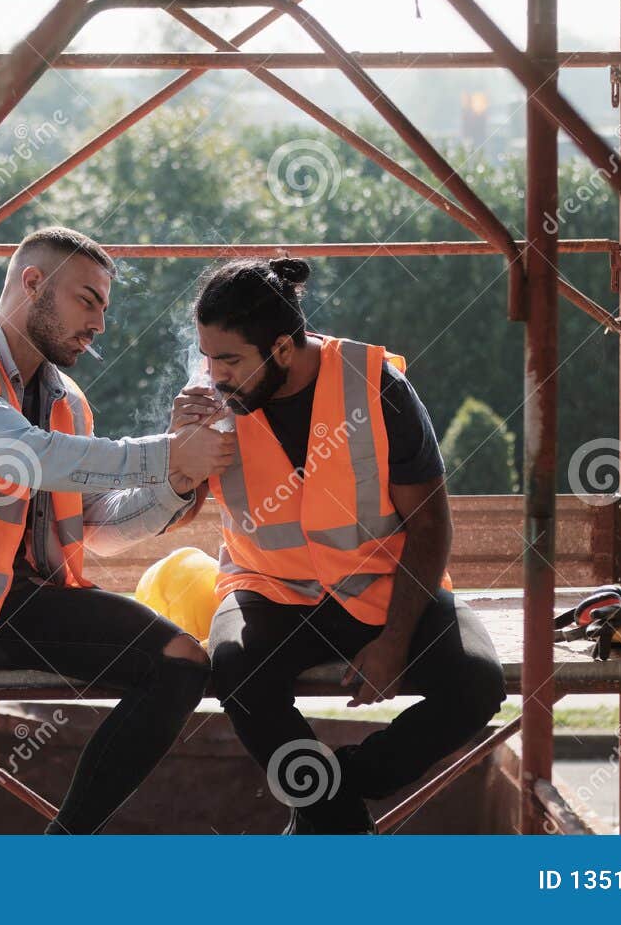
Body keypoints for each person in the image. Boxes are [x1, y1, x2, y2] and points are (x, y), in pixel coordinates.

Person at [0, 227, 235, 834]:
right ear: (32, 284)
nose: (99, 325)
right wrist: (167, 453)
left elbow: (98, 528)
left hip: (29, 605)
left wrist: (180, 481)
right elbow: (28, 456)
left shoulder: (69, 401)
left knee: (181, 663)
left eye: (105, 308)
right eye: (87, 300)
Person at [177, 257, 506, 833]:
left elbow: (429, 525)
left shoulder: (377, 386)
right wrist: (178, 452)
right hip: (268, 589)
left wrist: (395, 641)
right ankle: (337, 819)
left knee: (477, 685)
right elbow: (174, 510)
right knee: (236, 670)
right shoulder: (211, 404)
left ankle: (335, 792)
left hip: (382, 585)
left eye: (228, 359)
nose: (214, 374)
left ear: (282, 348)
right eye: (207, 356)